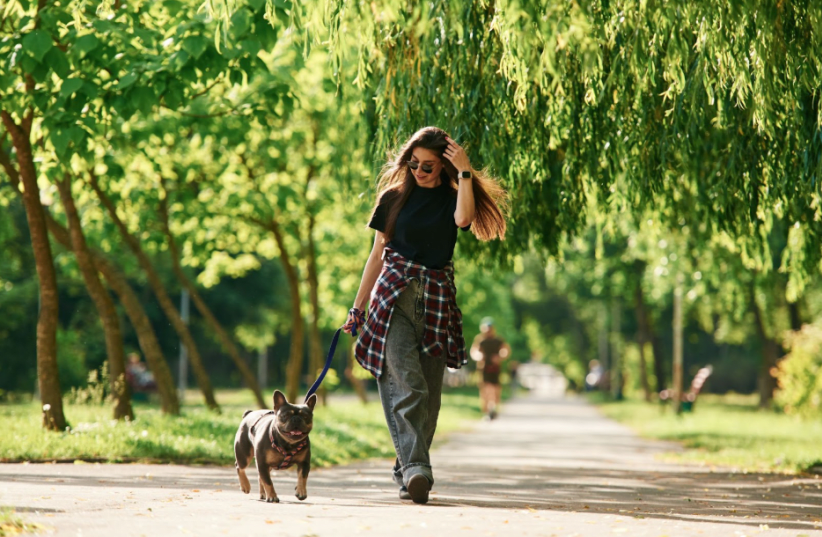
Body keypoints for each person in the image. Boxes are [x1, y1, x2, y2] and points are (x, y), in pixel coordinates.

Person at [342, 127, 507, 505]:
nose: (419, 171)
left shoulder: (453, 198)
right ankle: (418, 469)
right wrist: (358, 306)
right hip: (393, 298)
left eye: (428, 166)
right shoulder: (393, 199)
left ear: (444, 166)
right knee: (408, 385)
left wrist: (464, 171)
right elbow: (376, 254)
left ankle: (407, 471)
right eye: (413, 163)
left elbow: (464, 219)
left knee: (430, 399)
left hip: (437, 300)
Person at [469, 317, 510, 420]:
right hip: (484, 369)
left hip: (495, 369)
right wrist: (478, 356)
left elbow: (505, 350)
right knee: (485, 390)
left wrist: (499, 357)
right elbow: (474, 351)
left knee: (495, 390)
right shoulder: (480, 340)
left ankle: (493, 408)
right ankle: (487, 411)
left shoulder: (498, 340)